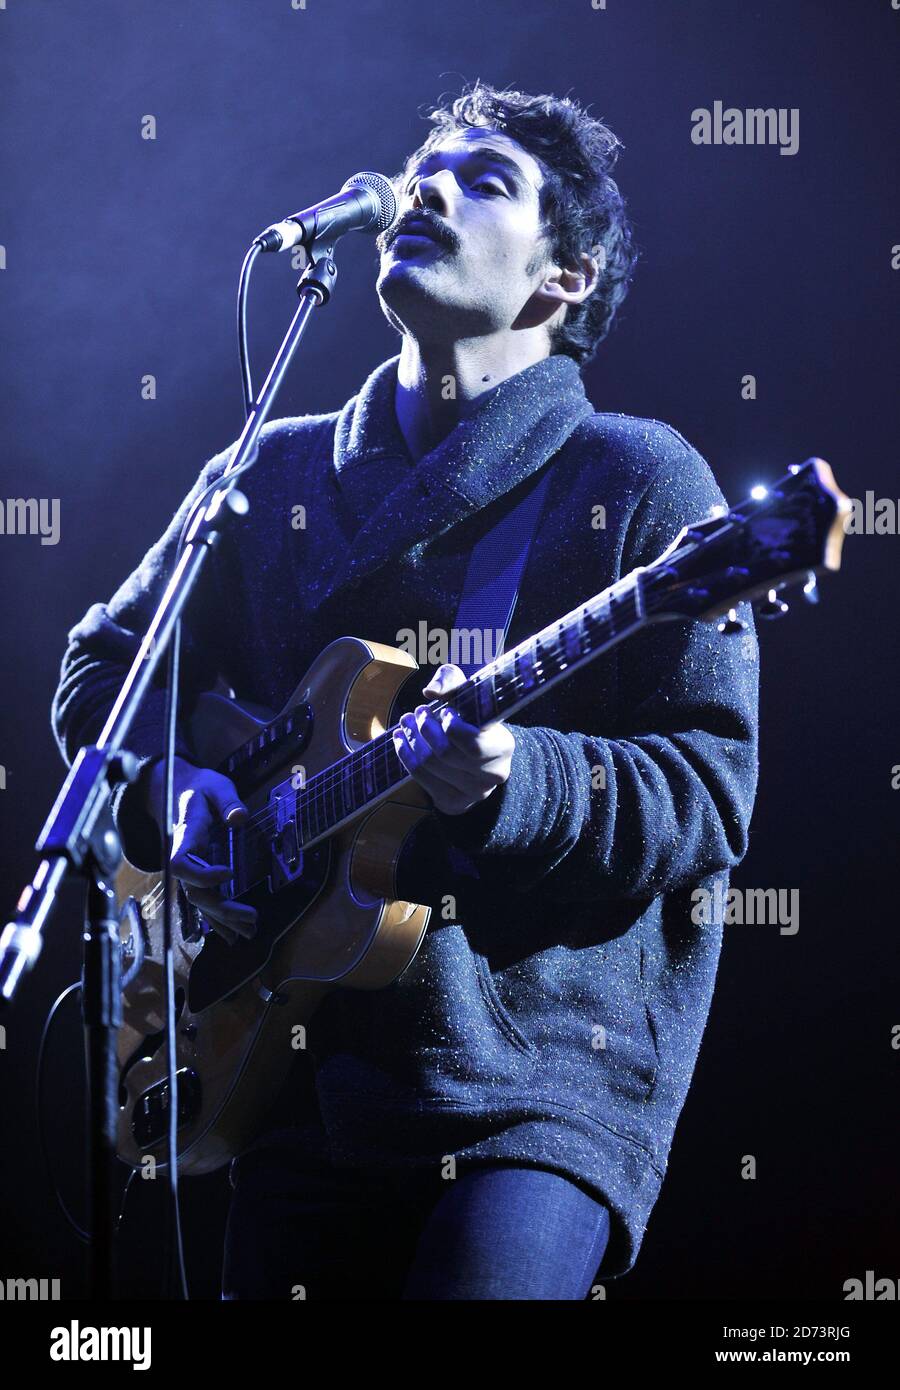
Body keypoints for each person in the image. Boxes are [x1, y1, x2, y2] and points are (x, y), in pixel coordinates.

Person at [51, 80, 759, 1300]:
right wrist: (169, 789)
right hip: (282, 1068)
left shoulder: (637, 477)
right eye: (424, 166)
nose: (426, 187)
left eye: (485, 180)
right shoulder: (267, 469)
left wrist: (515, 780)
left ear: (564, 277)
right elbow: (103, 670)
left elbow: (708, 794)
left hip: (527, 1086)